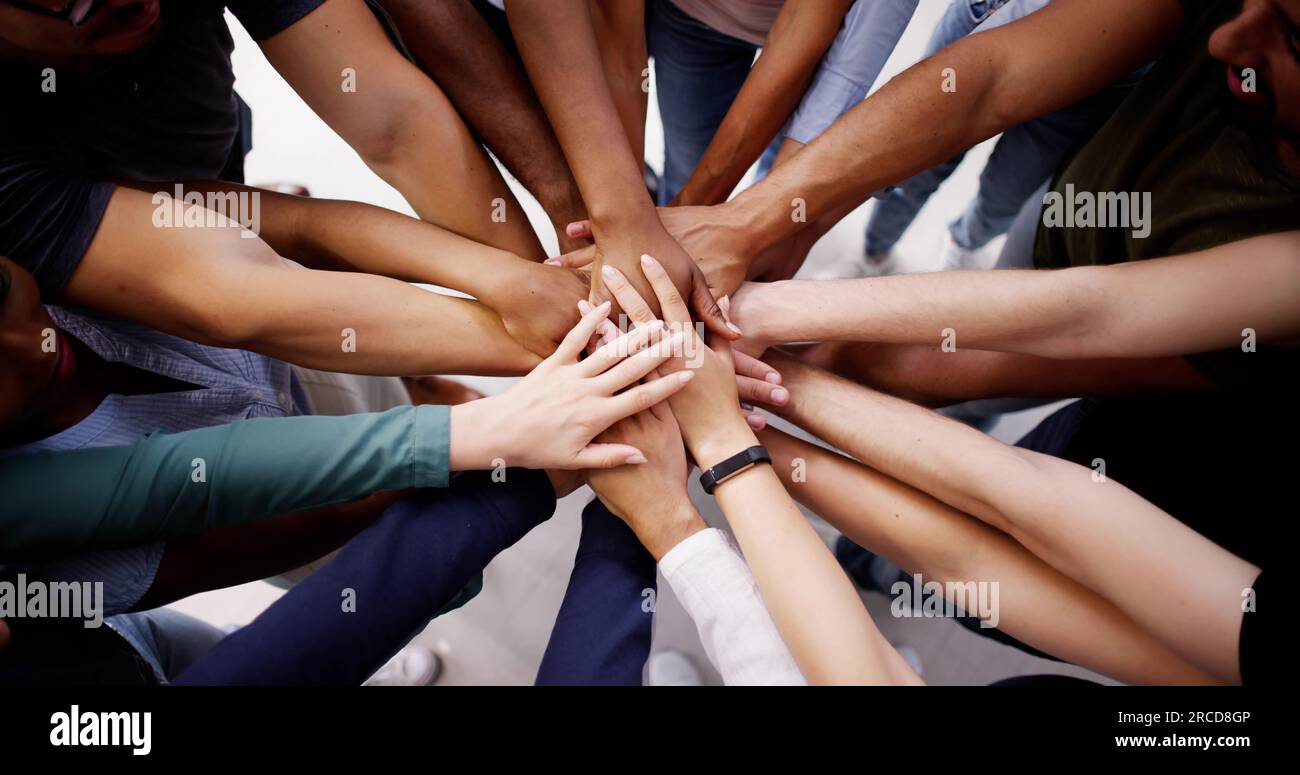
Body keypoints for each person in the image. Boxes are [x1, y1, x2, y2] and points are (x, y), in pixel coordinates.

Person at [0, 0, 566, 380]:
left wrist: (533, 280)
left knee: (233, 205)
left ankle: (420, 383)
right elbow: (236, 294)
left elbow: (392, 128)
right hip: (60, 241)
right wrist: (572, 344)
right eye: (83, 5)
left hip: (186, 162)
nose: (143, 2)